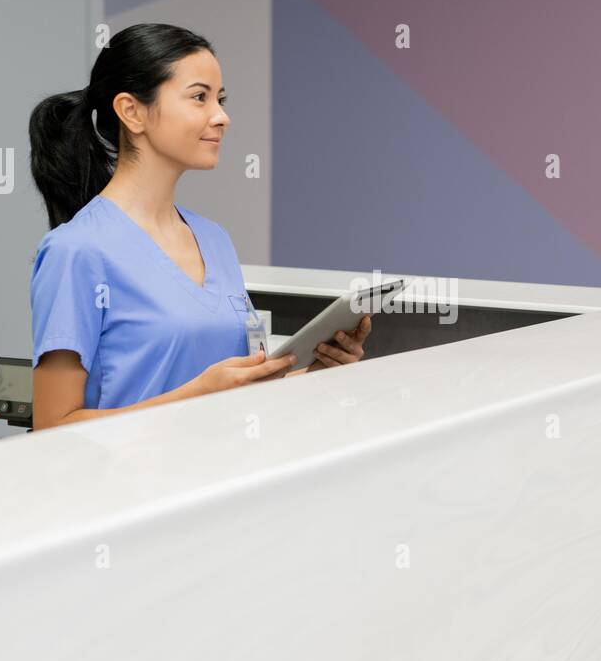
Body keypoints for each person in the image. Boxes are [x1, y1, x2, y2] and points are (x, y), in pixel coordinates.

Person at [27, 23, 371, 430]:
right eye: (199, 97)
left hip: (221, 479)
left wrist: (317, 372)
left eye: (220, 99)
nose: (221, 117)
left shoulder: (215, 240)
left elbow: (237, 390)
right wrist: (197, 396)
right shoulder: (76, 251)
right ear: (132, 111)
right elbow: (52, 428)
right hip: (133, 492)